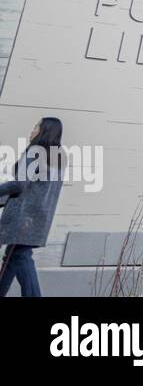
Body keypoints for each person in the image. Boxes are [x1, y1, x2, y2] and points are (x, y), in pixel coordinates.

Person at [0, 118, 64, 297]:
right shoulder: (57, 157)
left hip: (22, 220)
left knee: (20, 256)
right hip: (38, 219)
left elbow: (20, 185)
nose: (32, 129)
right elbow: (36, 190)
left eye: (36, 126)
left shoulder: (35, 153)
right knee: (12, 258)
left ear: (45, 130)